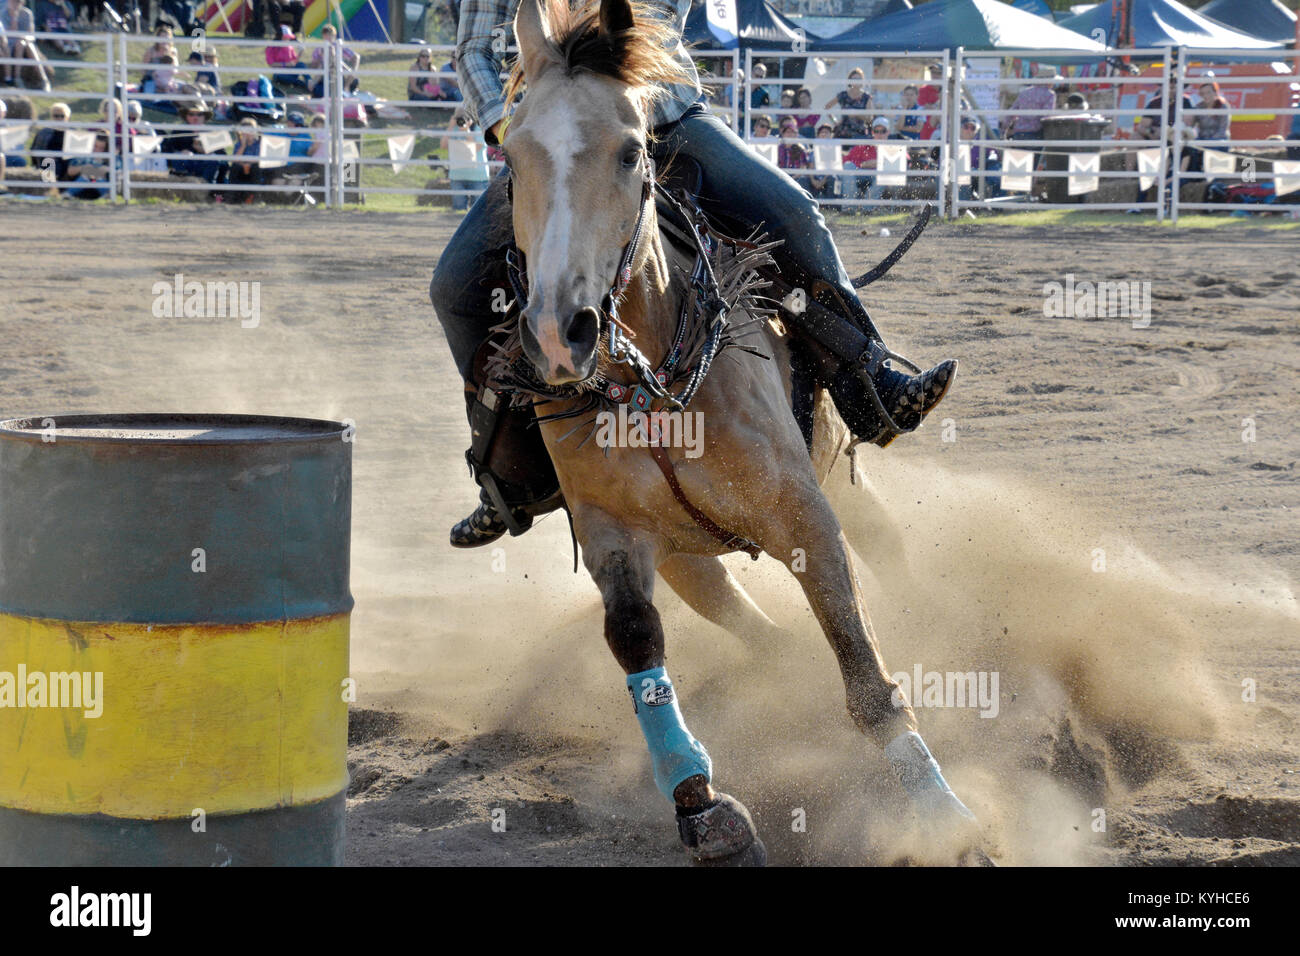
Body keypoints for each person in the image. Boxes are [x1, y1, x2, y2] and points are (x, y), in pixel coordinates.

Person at [432, 0, 958, 547]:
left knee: (794, 215)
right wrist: (511, 126)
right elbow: (473, 48)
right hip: (558, 138)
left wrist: (608, 77)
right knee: (455, 289)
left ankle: (872, 384)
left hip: (665, 114)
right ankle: (509, 480)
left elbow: (660, 13)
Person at [440, 109, 489, 210]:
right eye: (459, 117)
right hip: (457, 176)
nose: (462, 120)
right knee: (458, 210)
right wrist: (450, 126)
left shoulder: (479, 129)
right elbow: (443, 145)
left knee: (478, 211)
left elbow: (476, 148)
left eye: (465, 117)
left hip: (478, 177)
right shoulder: (453, 129)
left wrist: (467, 131)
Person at [843, 116, 890, 205]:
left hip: (880, 176)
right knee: (848, 166)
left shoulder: (894, 147)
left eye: (883, 131)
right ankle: (849, 207)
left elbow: (903, 161)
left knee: (886, 173)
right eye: (876, 131)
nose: (879, 134)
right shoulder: (864, 146)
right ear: (872, 132)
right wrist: (862, 164)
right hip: (861, 173)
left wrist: (880, 164)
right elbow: (846, 160)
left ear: (888, 132)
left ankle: (867, 208)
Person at [310, 23, 360, 98]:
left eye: (330, 35)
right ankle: (342, 91)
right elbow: (313, 66)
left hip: (339, 72)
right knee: (326, 64)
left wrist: (353, 70)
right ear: (323, 36)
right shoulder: (319, 49)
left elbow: (355, 57)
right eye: (326, 35)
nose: (328, 37)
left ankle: (345, 88)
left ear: (334, 36)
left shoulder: (338, 46)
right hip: (325, 75)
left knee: (353, 79)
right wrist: (321, 57)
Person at [223, 116, 262, 201]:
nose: (248, 134)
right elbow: (235, 159)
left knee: (256, 169)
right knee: (235, 167)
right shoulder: (239, 144)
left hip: (253, 168)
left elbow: (259, 158)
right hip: (240, 167)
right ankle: (231, 196)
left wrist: (248, 164)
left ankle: (255, 197)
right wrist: (243, 146)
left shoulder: (259, 143)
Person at [826, 67, 870, 141]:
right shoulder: (843, 95)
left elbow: (869, 118)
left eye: (859, 79)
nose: (856, 81)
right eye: (854, 79)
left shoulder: (866, 97)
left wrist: (857, 114)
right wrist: (835, 122)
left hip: (859, 135)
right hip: (842, 134)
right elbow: (827, 107)